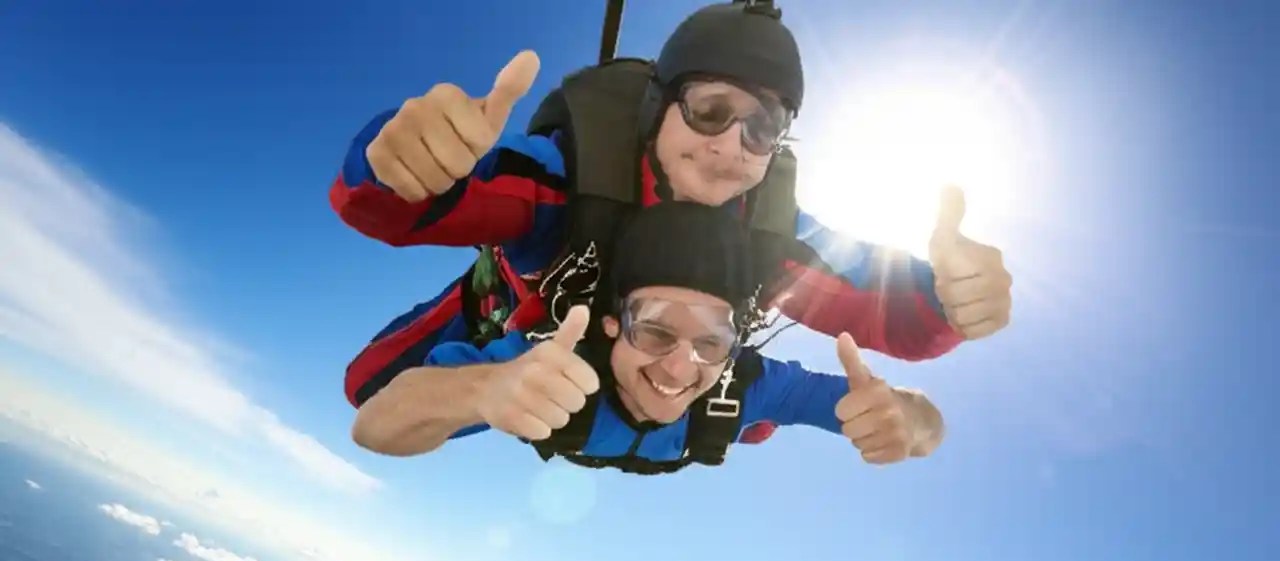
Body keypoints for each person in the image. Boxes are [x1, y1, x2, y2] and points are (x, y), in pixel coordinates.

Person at [330, 1, 1011, 446]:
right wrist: (403, 161)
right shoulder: (569, 183)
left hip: (649, 371)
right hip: (512, 309)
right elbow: (418, 198)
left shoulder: (770, 238)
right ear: (659, 108)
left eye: (763, 128)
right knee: (367, 387)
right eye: (710, 110)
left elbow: (890, 306)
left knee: (727, 399)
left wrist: (954, 303)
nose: (730, 145)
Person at [350, 202, 945, 474]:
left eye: (711, 342)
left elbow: (924, 423)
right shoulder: (553, 368)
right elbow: (374, 424)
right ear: (612, 326)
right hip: (529, 322)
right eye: (656, 331)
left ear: (734, 347)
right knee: (361, 382)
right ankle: (502, 275)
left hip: (728, 418)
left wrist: (905, 421)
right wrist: (481, 390)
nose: (680, 366)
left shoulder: (743, 388)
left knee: (753, 420)